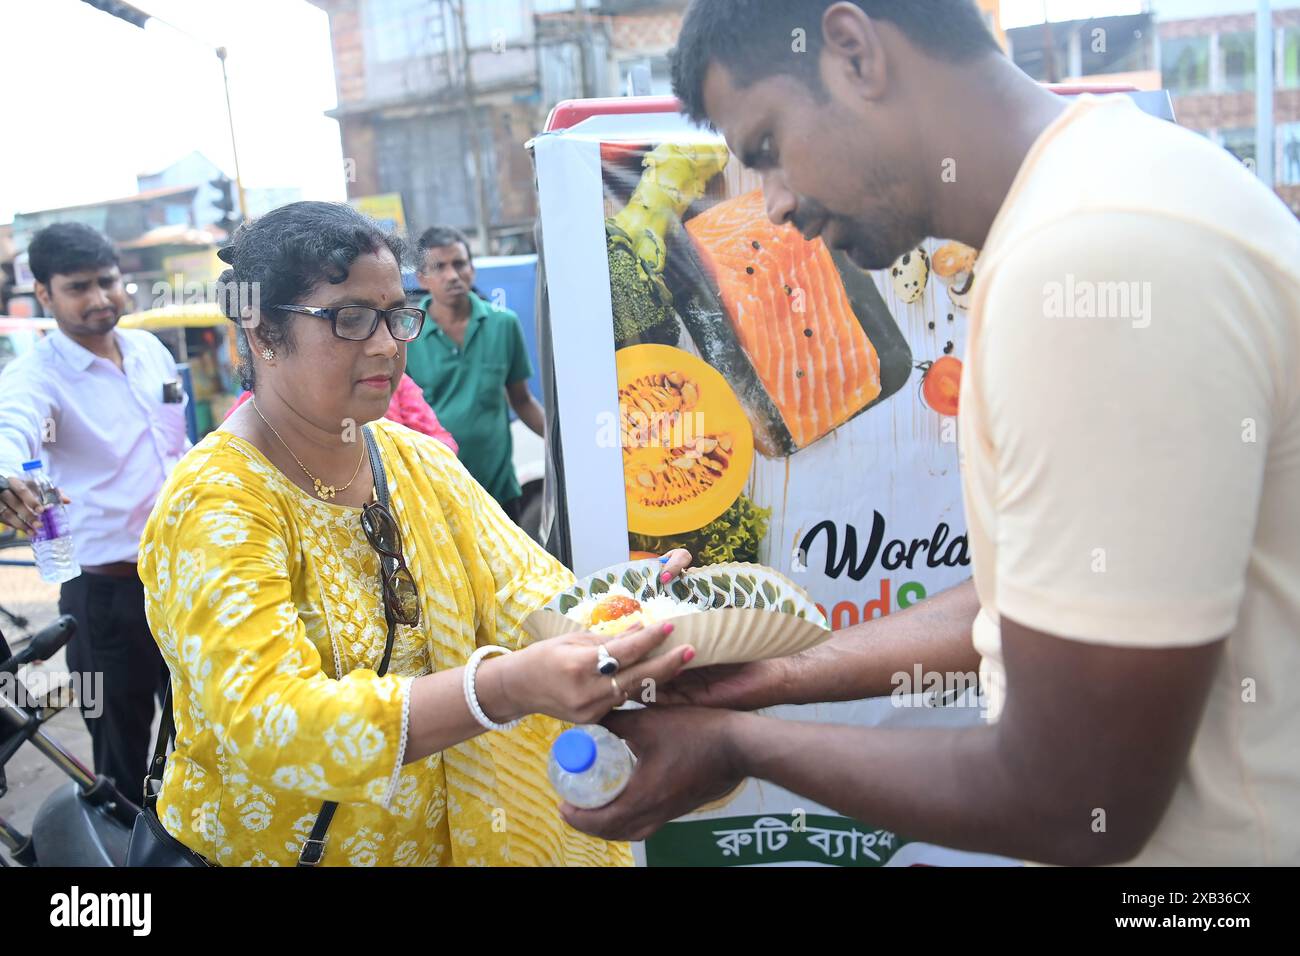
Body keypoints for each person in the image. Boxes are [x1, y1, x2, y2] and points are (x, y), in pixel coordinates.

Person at [563, 0, 1300, 866]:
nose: (776, 204)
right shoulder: (1097, 203)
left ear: (853, 51)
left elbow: (1079, 797)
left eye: (766, 148)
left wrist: (737, 745)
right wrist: (772, 679)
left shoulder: (1097, 255)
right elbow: (1034, 602)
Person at [138, 201, 695, 866]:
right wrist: (504, 687)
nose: (385, 344)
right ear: (262, 334)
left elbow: (529, 595)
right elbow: (275, 724)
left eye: (397, 316)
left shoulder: (412, 459)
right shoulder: (217, 503)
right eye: (348, 318)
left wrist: (631, 611)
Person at [0, 222, 182, 792]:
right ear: (45, 295)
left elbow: (178, 445)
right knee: (123, 761)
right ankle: (128, 873)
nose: (101, 298)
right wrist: (5, 474)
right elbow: (12, 428)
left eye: (108, 281)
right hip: (108, 599)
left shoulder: (149, 349)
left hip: (184, 581)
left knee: (205, 736)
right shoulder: (36, 376)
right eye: (79, 287)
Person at [405, 226, 544, 521]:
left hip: (498, 492)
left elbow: (522, 400)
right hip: (435, 494)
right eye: (439, 267)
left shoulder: (503, 324)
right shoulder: (407, 335)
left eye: (459, 264)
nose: (452, 275)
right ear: (422, 279)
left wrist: (563, 443)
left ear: (472, 269)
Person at [225, 373, 460, 454]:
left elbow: (442, 443)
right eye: (350, 320)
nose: (384, 344)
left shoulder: (392, 384)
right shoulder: (263, 404)